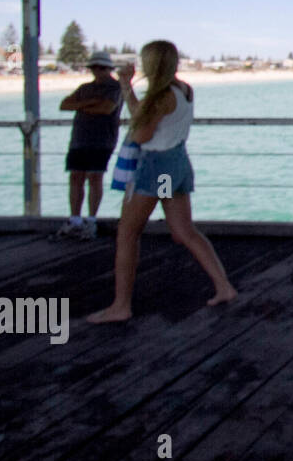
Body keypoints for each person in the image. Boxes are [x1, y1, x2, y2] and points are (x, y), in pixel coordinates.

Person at [87, 40, 237, 323]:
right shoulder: (183, 90)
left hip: (156, 167)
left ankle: (121, 306)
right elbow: (142, 117)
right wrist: (126, 87)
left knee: (128, 234)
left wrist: (127, 91)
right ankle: (224, 286)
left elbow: (142, 135)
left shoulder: (160, 96)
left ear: (151, 63)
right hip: (177, 163)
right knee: (183, 230)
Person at [53, 51, 123, 240]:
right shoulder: (85, 87)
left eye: (102, 67)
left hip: (102, 140)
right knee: (75, 177)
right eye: (95, 67)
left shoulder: (116, 87)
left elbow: (106, 108)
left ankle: (91, 220)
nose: (97, 71)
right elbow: (64, 105)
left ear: (109, 69)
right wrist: (92, 102)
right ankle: (75, 219)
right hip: (79, 139)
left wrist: (81, 105)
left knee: (95, 178)